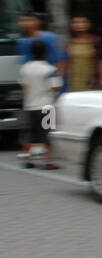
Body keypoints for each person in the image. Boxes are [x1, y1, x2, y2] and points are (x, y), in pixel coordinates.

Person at [18, 38, 62, 170]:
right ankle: (48, 161)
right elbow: (55, 87)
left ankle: (28, 159)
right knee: (47, 133)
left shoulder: (25, 68)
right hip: (46, 105)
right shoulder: (50, 69)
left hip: (30, 106)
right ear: (46, 53)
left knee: (29, 134)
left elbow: (24, 88)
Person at [65, 15, 102, 92]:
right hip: (74, 80)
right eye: (75, 22)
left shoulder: (95, 41)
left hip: (92, 80)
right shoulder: (70, 42)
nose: (79, 25)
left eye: (83, 22)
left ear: (89, 24)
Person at [18, 11, 66, 81]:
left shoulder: (50, 37)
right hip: (32, 79)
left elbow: (60, 60)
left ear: (37, 22)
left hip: (50, 78)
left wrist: (58, 78)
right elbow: (24, 63)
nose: (26, 23)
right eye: (22, 21)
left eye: (29, 20)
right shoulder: (23, 42)